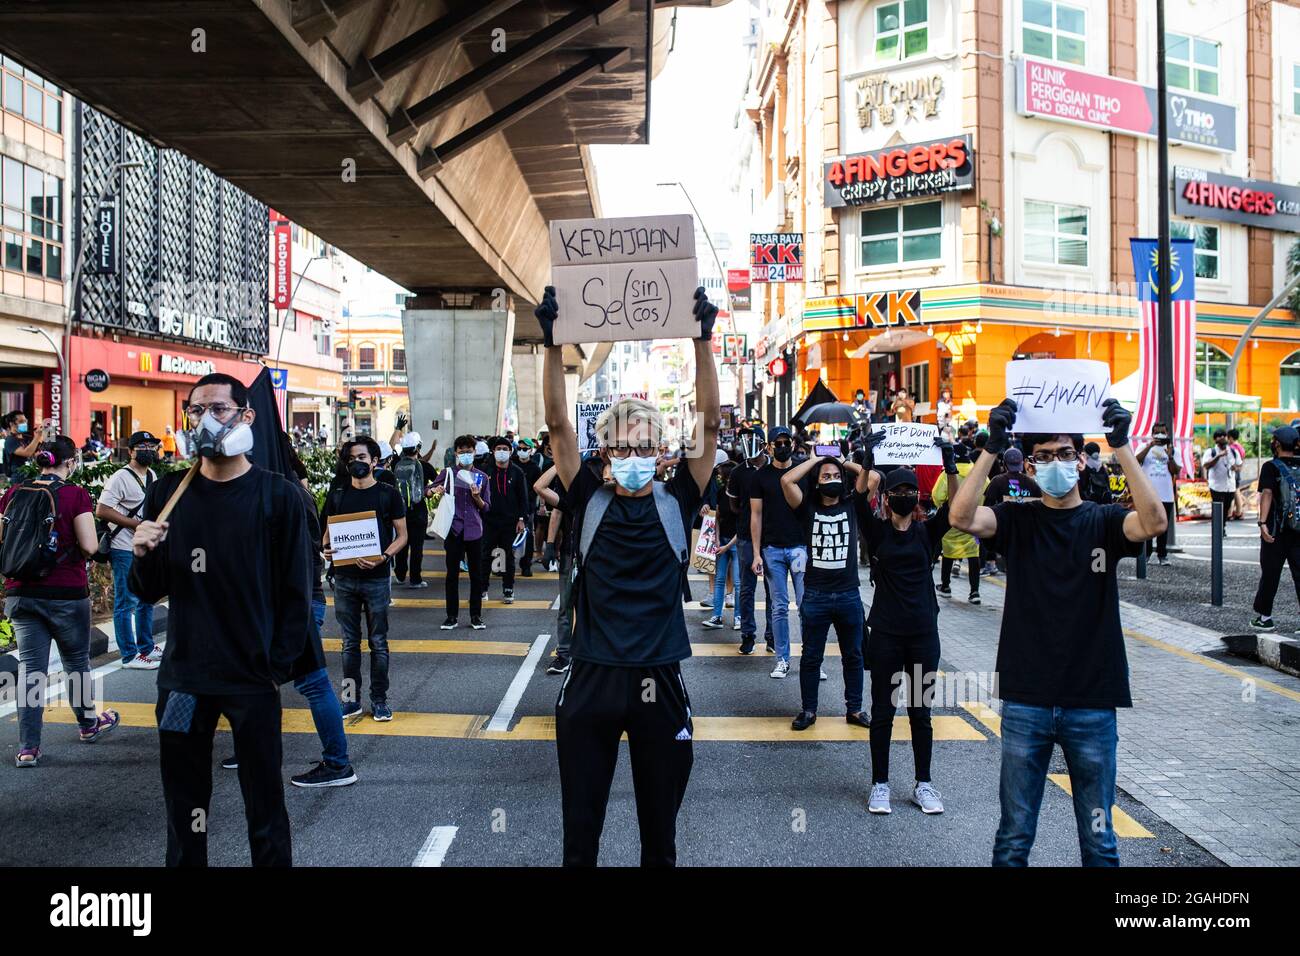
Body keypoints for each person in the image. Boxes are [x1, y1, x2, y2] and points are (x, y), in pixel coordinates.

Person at [536, 283, 719, 867]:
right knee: (578, 838)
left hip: (658, 685)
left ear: (663, 448)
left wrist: (703, 341)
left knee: (659, 841)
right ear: (605, 452)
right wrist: (551, 343)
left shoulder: (677, 499)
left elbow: (710, 425)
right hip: (591, 681)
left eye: (645, 444)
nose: (634, 455)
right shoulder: (587, 496)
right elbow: (557, 424)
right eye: (621, 446)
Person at [949, 395, 1166, 867]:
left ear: (1082, 459)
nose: (1055, 463)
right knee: (1013, 838)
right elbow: (961, 518)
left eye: (1065, 453)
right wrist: (989, 446)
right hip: (1026, 700)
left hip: (1091, 703)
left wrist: (1122, 446)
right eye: (1043, 456)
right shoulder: (1016, 518)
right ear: (1029, 465)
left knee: (1100, 842)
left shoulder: (1104, 522)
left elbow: (1154, 521)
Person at [130, 372, 313, 865]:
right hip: (184, 682)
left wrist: (275, 667)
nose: (205, 420)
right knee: (185, 807)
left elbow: (299, 594)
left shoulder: (278, 497)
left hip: (252, 681)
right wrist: (142, 552)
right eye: (195, 410)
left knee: (265, 806)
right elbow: (147, 591)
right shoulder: (170, 492)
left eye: (218, 409)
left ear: (246, 416)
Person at [221, 442, 358, 788]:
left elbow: (302, 556)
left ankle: (338, 764)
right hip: (280, 603)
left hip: (293, 603)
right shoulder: (274, 492)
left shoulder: (288, 495)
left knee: (310, 682)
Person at [858, 432, 960, 814]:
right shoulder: (877, 531)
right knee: (883, 711)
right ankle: (880, 785)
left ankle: (924, 784)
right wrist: (867, 460)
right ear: (886, 497)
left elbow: (955, 505)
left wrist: (950, 465)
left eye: (908, 489)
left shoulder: (927, 532)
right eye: (896, 488)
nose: (902, 494)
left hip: (922, 636)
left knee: (921, 712)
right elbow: (856, 500)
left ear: (917, 496)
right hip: (884, 634)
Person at [4, 435, 119, 767]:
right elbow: (88, 547)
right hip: (66, 593)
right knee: (76, 665)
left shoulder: (14, 492)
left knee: (31, 672)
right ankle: (87, 724)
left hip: (21, 592)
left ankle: (28, 748)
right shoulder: (75, 494)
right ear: (70, 462)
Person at [778, 453, 868, 731]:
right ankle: (809, 711)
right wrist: (817, 460)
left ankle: (854, 708)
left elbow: (873, 477)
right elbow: (786, 479)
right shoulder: (806, 508)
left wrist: (841, 461)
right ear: (815, 483)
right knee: (811, 656)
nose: (832, 480)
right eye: (825, 477)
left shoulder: (853, 505)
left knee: (853, 655)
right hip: (815, 594)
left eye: (836, 476)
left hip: (849, 595)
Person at [320, 436, 407, 721]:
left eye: (361, 457)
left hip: (377, 578)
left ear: (374, 461)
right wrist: (327, 551)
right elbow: (327, 537)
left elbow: (403, 536)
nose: (356, 463)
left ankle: (379, 700)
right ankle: (350, 700)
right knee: (348, 644)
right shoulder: (337, 495)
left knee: (378, 643)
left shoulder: (388, 493)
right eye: (351, 459)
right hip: (344, 579)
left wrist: (383, 556)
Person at [95, 430, 161, 669]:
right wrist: (136, 524)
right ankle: (130, 656)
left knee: (146, 598)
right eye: (142, 446)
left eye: (151, 446)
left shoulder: (152, 475)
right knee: (126, 601)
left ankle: (146, 647)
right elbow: (102, 510)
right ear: (131, 451)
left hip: (145, 546)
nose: (148, 449)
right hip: (123, 547)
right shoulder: (119, 477)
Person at [750, 425, 807, 678]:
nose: (783, 446)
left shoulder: (803, 472)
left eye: (787, 442)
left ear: (792, 444)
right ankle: (782, 659)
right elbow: (756, 516)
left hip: (800, 548)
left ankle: (811, 659)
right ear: (769, 446)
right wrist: (756, 553)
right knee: (779, 607)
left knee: (807, 605)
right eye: (778, 443)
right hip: (772, 550)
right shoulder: (760, 476)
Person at [1251, 426, 1300, 631]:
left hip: (1275, 531)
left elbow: (1267, 494)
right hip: (1299, 531)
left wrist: (1262, 524)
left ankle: (1265, 617)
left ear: (1277, 444)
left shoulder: (1271, 467)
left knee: (1270, 573)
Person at [439, 435, 490, 630]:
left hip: (475, 531)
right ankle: (451, 616)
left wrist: (476, 497)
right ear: (455, 454)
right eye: (462, 452)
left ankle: (476, 616)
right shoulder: (449, 474)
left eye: (469, 452)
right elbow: (429, 489)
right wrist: (435, 490)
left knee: (476, 576)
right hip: (454, 530)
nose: (466, 455)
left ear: (475, 452)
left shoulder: (482, 477)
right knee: (452, 574)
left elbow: (486, 508)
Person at [729, 426, 772, 655]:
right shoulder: (738, 472)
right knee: (747, 588)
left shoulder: (775, 468)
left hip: (772, 537)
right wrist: (747, 517)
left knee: (772, 589)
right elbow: (733, 505)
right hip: (746, 537)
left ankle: (772, 635)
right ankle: (748, 634)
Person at [477, 436, 529, 604]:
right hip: (489, 520)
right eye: (498, 449)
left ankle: (508, 589)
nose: (501, 452)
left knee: (507, 556)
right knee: (486, 556)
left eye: (505, 449)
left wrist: (522, 519)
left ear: (510, 451)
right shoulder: (485, 471)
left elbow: (523, 498)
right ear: (493, 451)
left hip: (510, 522)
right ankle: (483, 589)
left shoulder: (517, 472)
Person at [930, 449, 984, 604]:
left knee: (948, 552)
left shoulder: (947, 473)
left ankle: (945, 586)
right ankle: (975, 591)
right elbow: (985, 490)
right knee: (973, 554)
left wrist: (944, 505)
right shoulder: (977, 472)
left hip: (952, 518)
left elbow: (937, 495)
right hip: (972, 518)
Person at [392, 432, 437, 589]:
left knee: (401, 543)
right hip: (418, 511)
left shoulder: (395, 463)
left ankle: (399, 574)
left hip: (399, 512)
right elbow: (438, 481)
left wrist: (397, 429)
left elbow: (390, 448)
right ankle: (415, 579)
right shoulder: (424, 466)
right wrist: (428, 491)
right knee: (417, 547)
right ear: (419, 447)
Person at [702, 458, 741, 631]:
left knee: (739, 583)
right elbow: (718, 517)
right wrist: (717, 540)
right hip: (722, 540)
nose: (717, 477)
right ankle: (716, 616)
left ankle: (739, 617)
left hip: (736, 543)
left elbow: (744, 525)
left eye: (719, 474)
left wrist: (726, 546)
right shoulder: (720, 493)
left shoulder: (740, 495)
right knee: (719, 579)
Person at [1136, 422, 1179, 564]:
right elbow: (1136, 461)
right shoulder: (1144, 447)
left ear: (1167, 434)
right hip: (1148, 493)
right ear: (1152, 434)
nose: (1160, 435)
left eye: (1162, 432)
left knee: (1163, 526)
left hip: (1166, 494)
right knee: (1148, 523)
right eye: (1157, 432)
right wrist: (1150, 445)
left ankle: (1162, 555)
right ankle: (1146, 554)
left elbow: (1176, 471)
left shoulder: (1173, 450)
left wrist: (1170, 456)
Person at [1202, 429, 1239, 536]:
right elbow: (1206, 465)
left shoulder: (1233, 451)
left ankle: (1222, 526)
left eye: (1224, 435)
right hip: (1216, 486)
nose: (1222, 437)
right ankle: (1218, 529)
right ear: (1215, 439)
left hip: (1230, 486)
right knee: (1218, 508)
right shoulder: (1211, 452)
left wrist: (1235, 467)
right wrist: (1218, 456)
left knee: (1226, 508)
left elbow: (1239, 465)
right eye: (1219, 436)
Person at [514, 439, 543, 576]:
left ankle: (526, 565)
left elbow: (538, 488)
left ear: (531, 451)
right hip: (511, 505)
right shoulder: (512, 464)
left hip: (528, 507)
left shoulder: (534, 468)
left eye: (525, 449)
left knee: (528, 536)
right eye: (519, 448)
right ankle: (504, 564)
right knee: (508, 535)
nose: (521, 451)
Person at [2, 411, 43, 481]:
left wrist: (49, 435)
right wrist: (38, 436)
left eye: (25, 421)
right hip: (19, 479)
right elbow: (27, 453)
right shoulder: (10, 440)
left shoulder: (28, 438)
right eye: (21, 421)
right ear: (12, 424)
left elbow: (41, 450)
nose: (25, 423)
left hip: (33, 476)